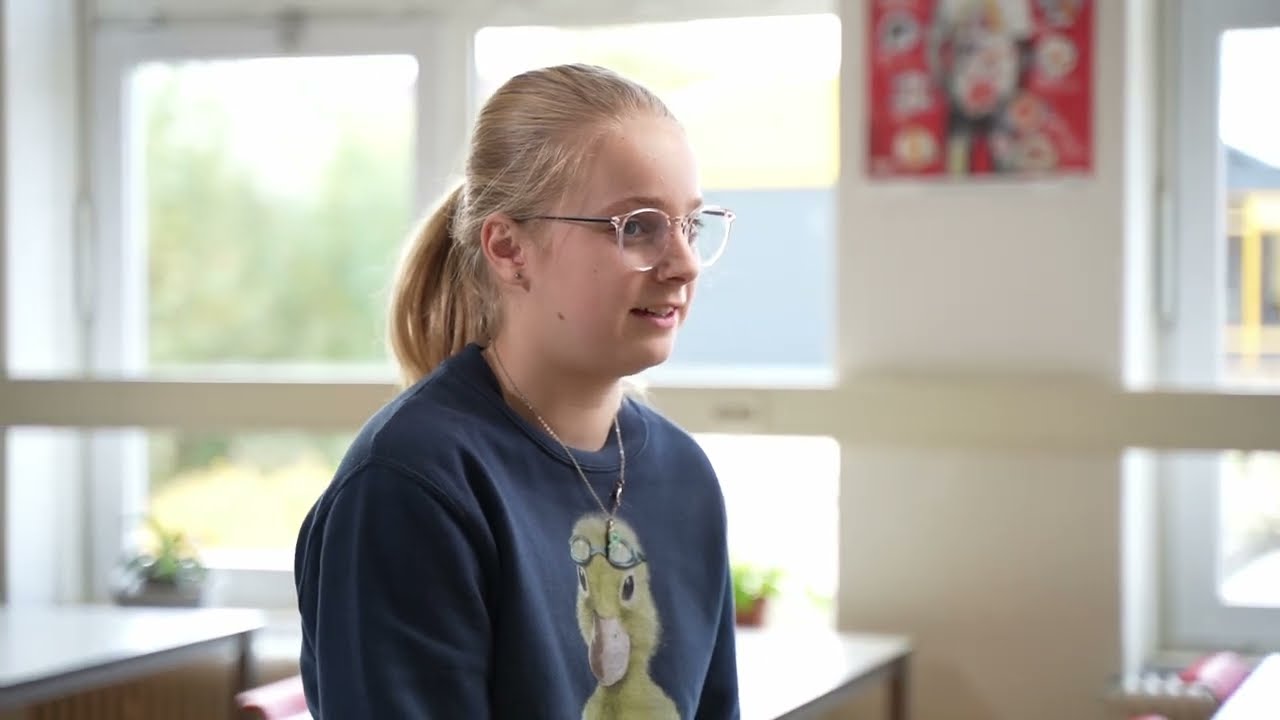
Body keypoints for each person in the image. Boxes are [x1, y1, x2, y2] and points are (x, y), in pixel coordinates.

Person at [293, 63, 741, 719]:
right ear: (509, 249)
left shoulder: (685, 475)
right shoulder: (412, 484)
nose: (683, 264)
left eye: (690, 225)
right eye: (638, 226)